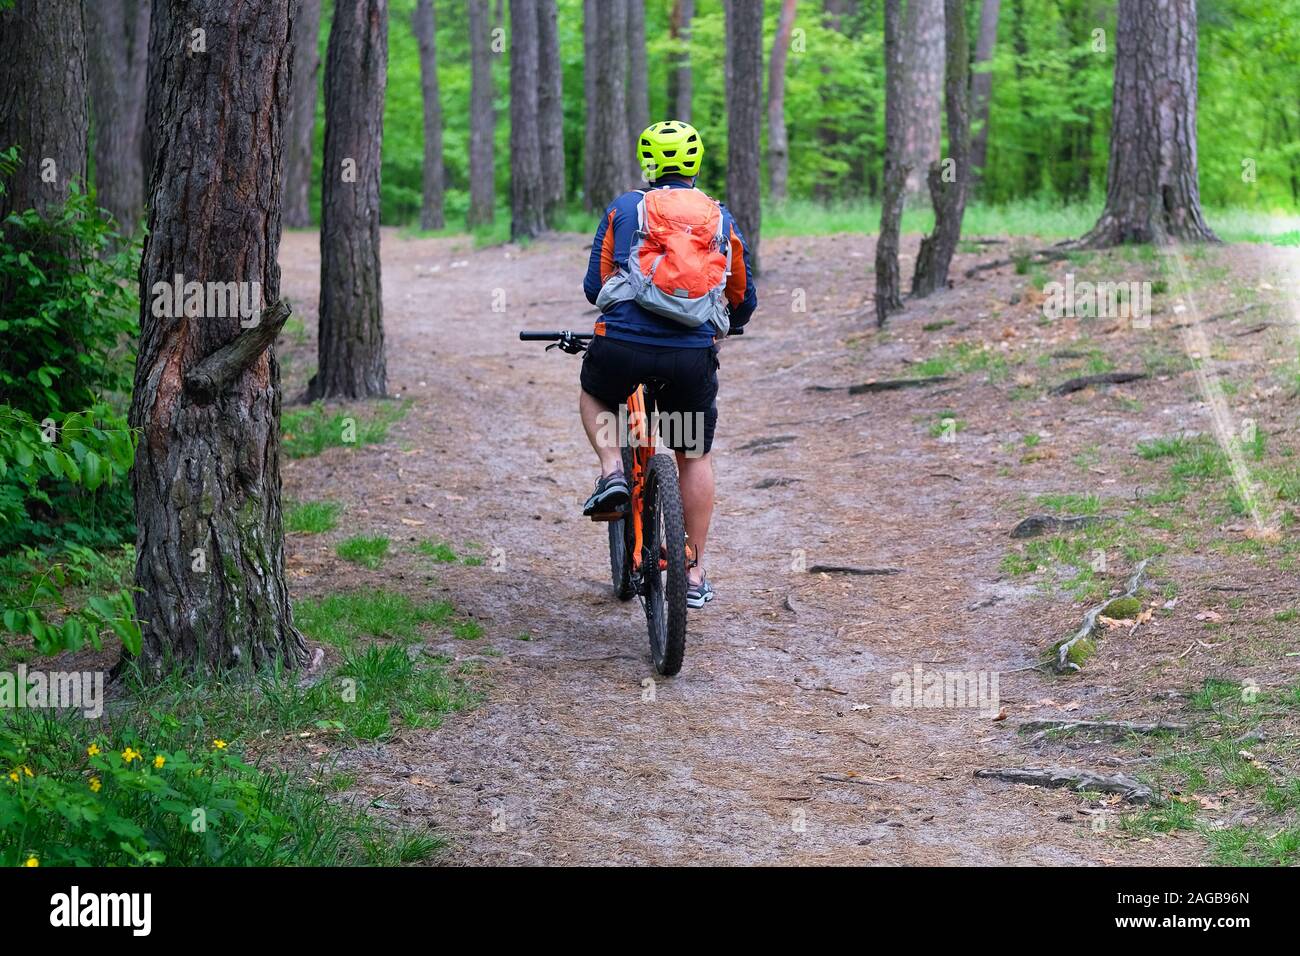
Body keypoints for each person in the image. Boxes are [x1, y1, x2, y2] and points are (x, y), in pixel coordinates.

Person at [579, 120, 757, 609]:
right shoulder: (720, 218)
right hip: (690, 357)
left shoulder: (625, 207)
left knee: (597, 392)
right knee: (693, 454)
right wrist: (720, 324)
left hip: (623, 345)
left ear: (649, 163)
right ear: (696, 166)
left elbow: (595, 289)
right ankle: (695, 572)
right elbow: (742, 300)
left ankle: (613, 470)